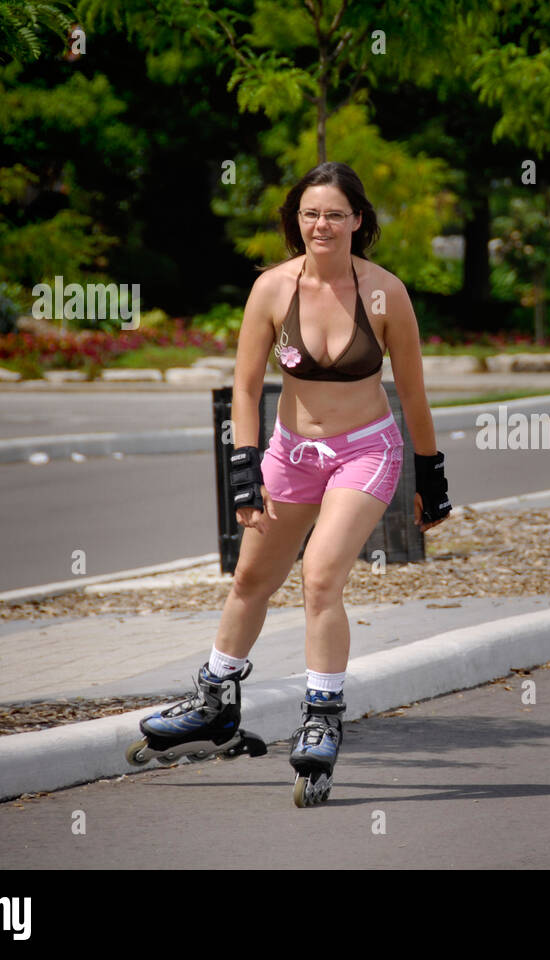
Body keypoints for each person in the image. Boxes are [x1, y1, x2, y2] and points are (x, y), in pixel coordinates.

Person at [128, 162, 452, 807]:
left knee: (321, 577)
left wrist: (431, 473)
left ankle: (321, 717)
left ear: (357, 220)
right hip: (289, 452)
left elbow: (413, 393)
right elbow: (247, 388)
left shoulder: (385, 293)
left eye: (334, 214)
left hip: (366, 451)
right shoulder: (272, 289)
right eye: (310, 214)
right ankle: (216, 701)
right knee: (251, 578)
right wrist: (244, 472)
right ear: (295, 220)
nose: (321, 225)